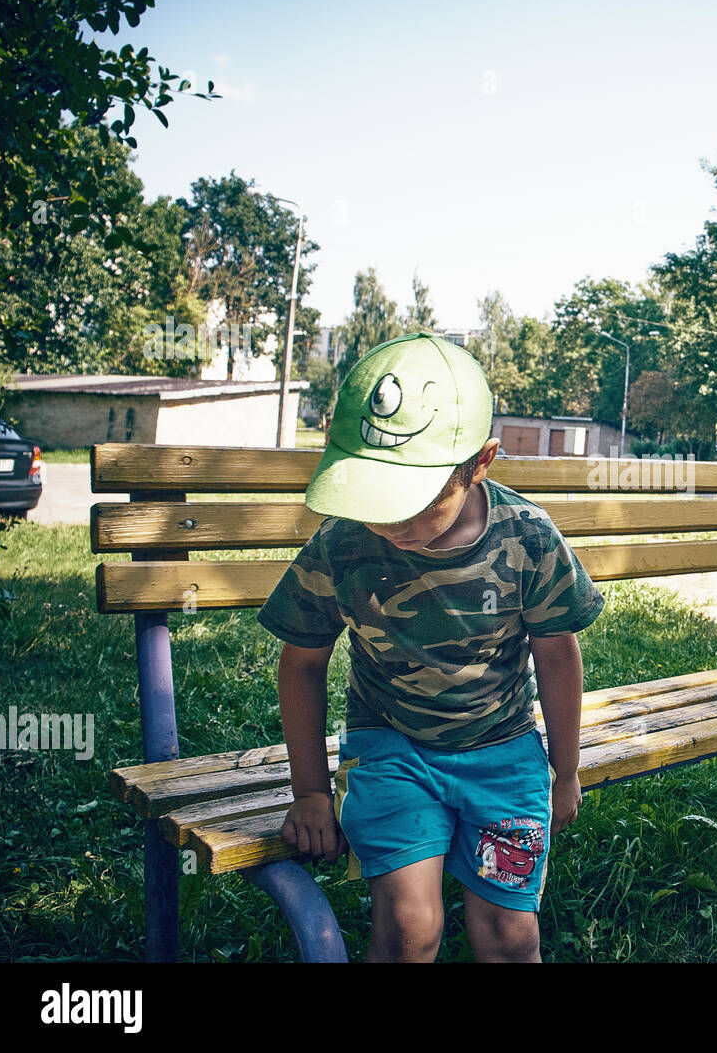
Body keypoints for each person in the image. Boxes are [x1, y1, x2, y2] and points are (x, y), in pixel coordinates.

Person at [258, 333, 603, 962]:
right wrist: (309, 791)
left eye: (411, 501)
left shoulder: (527, 538)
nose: (390, 524)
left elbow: (557, 654)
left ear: (480, 463)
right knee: (410, 931)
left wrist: (567, 769)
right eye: (373, 497)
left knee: (508, 936)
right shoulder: (342, 547)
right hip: (392, 751)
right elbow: (302, 662)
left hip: (505, 755)